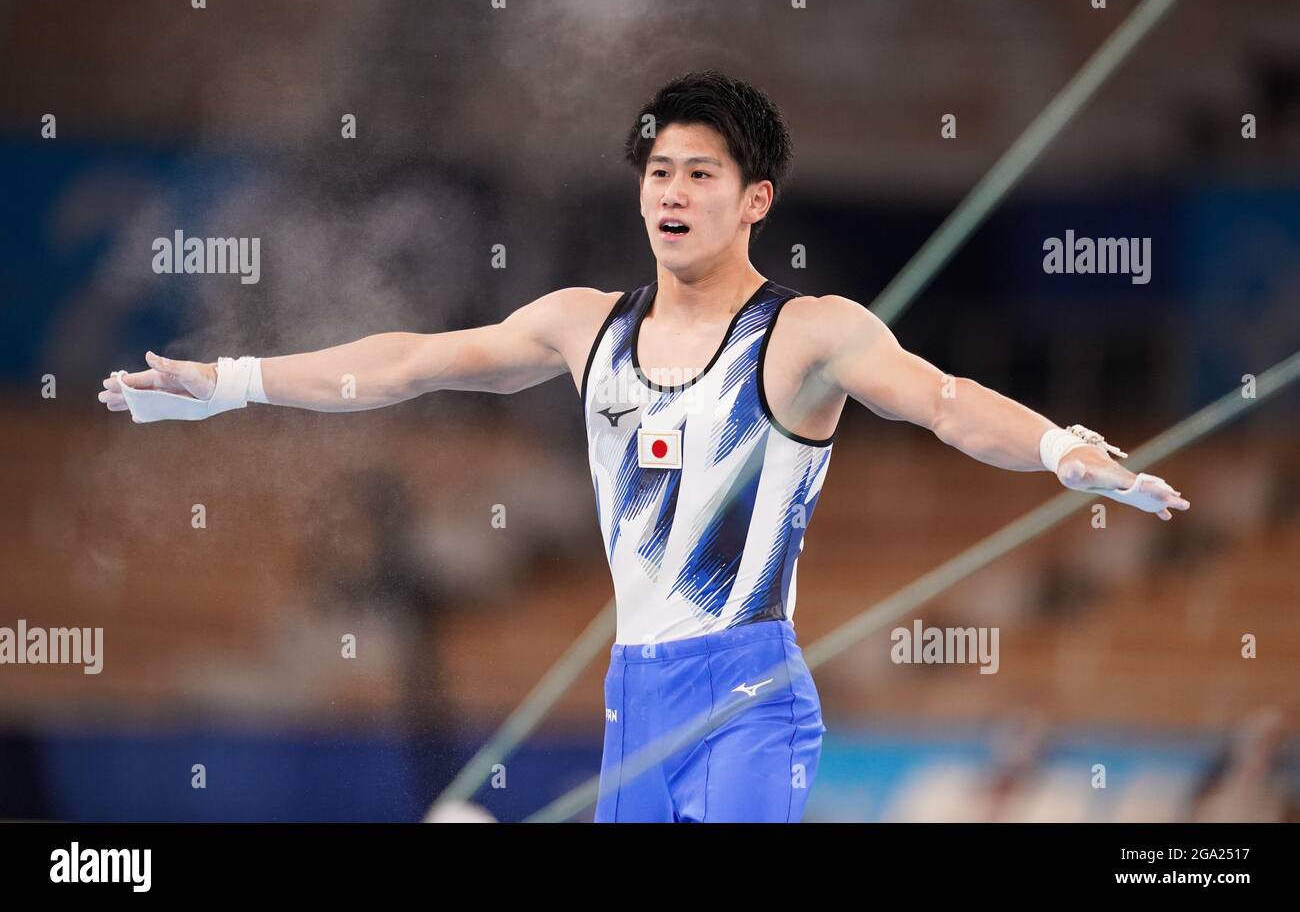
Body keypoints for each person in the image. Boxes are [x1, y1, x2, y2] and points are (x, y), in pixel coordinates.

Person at [98, 70, 1189, 822]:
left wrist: (1057, 448)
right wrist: (227, 384)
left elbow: (943, 400)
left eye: (701, 173)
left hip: (745, 692)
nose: (672, 191)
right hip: (633, 693)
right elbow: (411, 361)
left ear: (754, 199)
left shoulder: (807, 333)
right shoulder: (586, 325)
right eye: (658, 170)